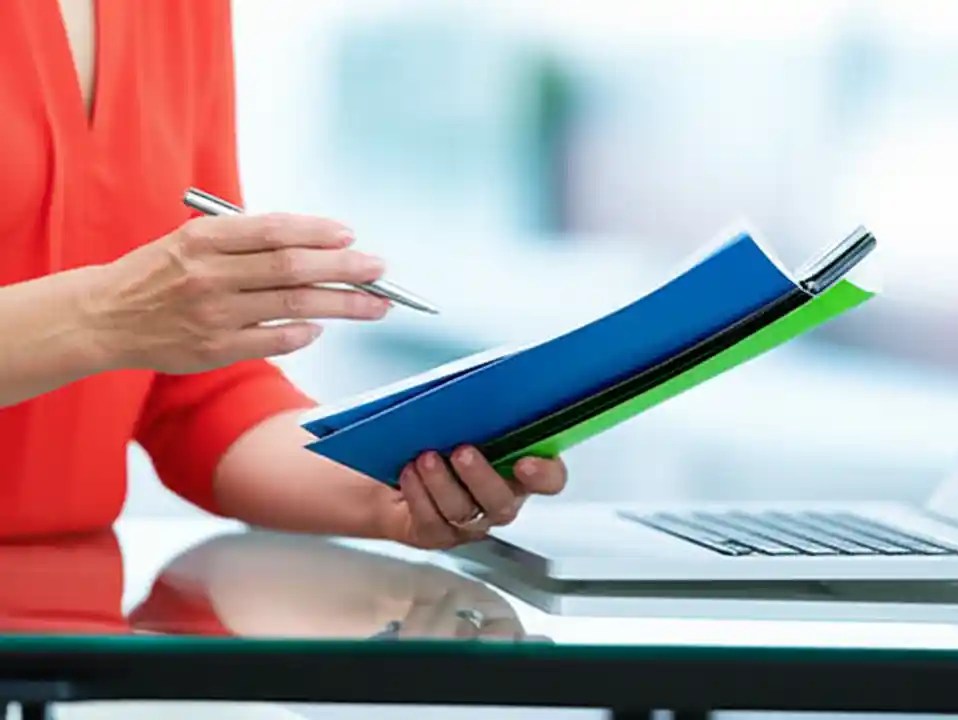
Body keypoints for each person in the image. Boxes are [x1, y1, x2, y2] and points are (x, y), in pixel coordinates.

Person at [0, 1, 567, 548]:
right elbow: (132, 320)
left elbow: (190, 390)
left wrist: (389, 484)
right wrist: (105, 318)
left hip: (71, 609)